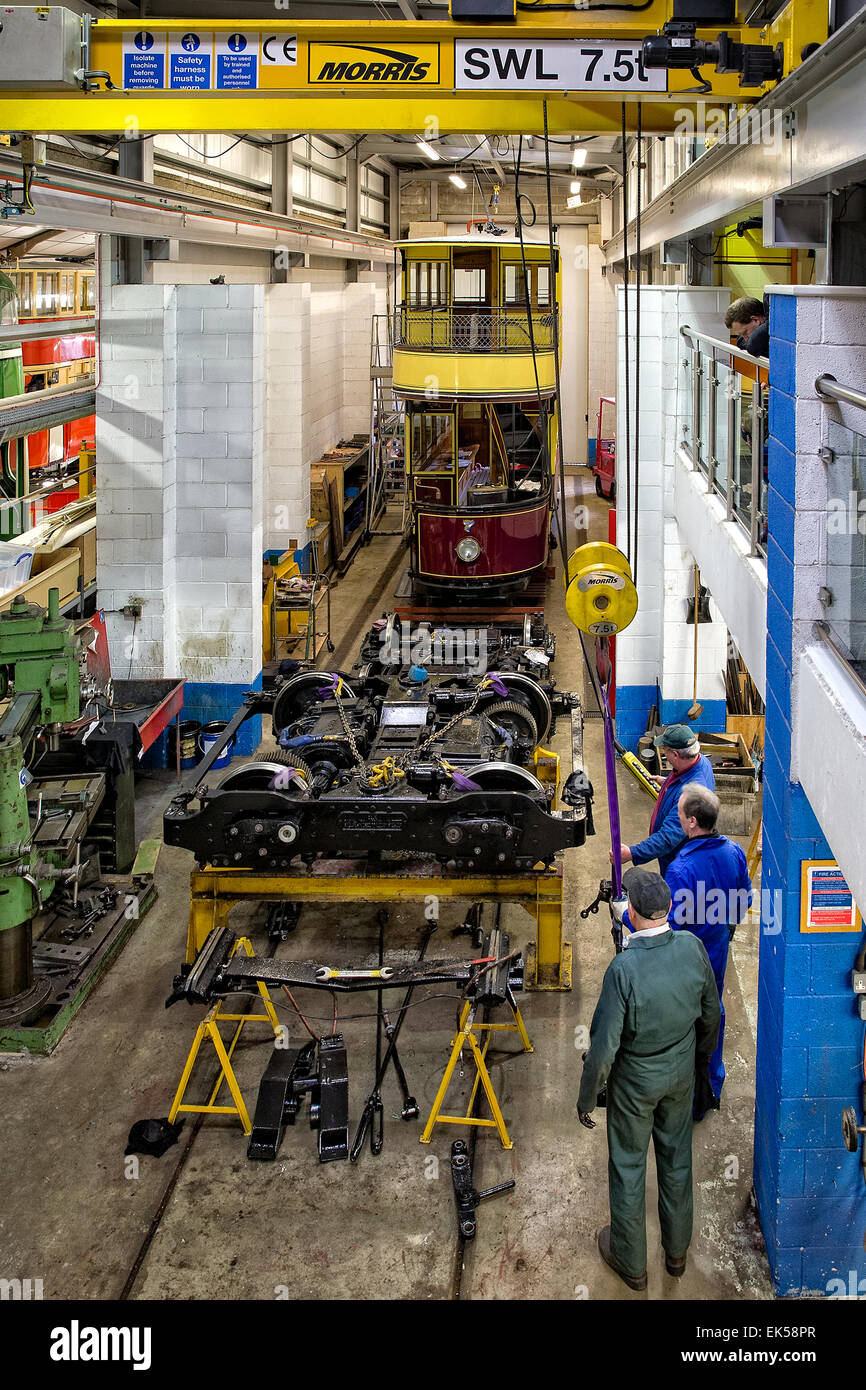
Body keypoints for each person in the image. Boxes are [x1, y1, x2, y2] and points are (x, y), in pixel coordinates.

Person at [577, 868, 721, 1290]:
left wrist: (587, 1098)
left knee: (628, 1165)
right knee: (677, 1162)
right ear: (669, 908)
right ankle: (676, 1255)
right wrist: (697, 1061)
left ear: (633, 912)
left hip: (634, 1084)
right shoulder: (693, 949)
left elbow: (603, 1048)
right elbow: (711, 1015)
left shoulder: (623, 970)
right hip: (679, 1075)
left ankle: (631, 1263)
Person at [665, 785, 752, 1115]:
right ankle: (713, 1084)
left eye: (680, 811)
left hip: (686, 959)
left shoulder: (680, 870)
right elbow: (744, 898)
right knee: (713, 1011)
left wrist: (629, 920)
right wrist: (725, 928)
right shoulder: (733, 852)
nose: (677, 815)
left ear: (691, 823)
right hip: (716, 949)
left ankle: (692, 1098)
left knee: (685, 1021)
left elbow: (668, 926)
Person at [612, 724, 715, 876]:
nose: (664, 755)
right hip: (681, 854)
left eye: (665, 750)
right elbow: (687, 779)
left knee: (674, 896)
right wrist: (668, 782)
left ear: (675, 754)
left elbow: (667, 838)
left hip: (680, 862)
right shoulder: (701, 762)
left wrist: (632, 853)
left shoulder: (692, 796)